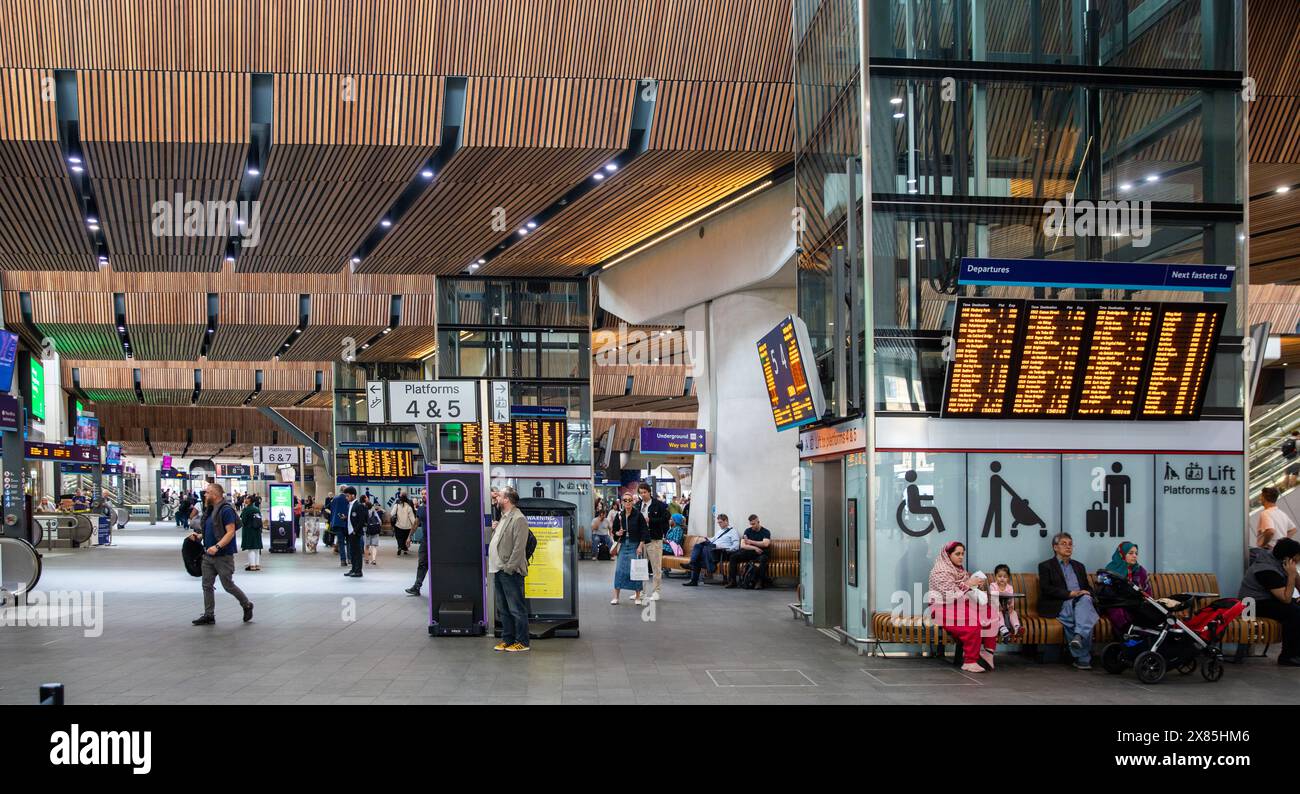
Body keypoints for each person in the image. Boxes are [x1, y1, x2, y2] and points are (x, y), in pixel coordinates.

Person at [188, 483, 253, 625]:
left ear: (215, 495)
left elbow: (230, 532)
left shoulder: (226, 510)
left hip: (223, 555)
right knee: (207, 585)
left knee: (228, 585)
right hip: (208, 555)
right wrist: (199, 537)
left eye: (207, 492)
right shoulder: (210, 510)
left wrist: (217, 547)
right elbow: (210, 530)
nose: (205, 495)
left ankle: (247, 604)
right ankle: (209, 614)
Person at [928, 541, 995, 672]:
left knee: (991, 614)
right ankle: (970, 661)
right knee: (972, 624)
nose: (961, 557)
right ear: (948, 555)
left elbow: (963, 588)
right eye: (957, 554)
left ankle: (988, 651)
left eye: (962, 554)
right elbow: (948, 595)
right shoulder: (939, 572)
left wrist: (976, 584)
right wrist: (969, 583)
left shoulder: (960, 570)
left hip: (960, 603)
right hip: (943, 606)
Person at [1037, 532, 1097, 670]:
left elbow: (1087, 587)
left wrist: (1087, 592)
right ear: (1055, 547)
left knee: (1085, 602)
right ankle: (1082, 652)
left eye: (1070, 544)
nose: (1068, 547)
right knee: (1083, 613)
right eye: (1064, 544)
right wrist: (1070, 594)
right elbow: (1046, 589)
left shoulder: (1079, 566)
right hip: (1060, 603)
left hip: (1081, 602)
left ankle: (1080, 645)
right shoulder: (1046, 566)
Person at [1239, 537, 1300, 666]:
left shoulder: (1279, 560)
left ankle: (1296, 652)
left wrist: (1294, 573)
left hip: (1267, 600)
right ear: (1289, 557)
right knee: (1294, 612)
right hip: (1252, 605)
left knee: (1295, 607)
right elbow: (1286, 598)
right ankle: (1288, 656)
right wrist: (1291, 575)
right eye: (1298, 557)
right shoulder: (1266, 569)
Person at [489, 486, 531, 652]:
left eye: (499, 495)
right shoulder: (504, 517)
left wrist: (509, 568)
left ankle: (522, 642)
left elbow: (519, 548)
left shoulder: (519, 519)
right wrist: (495, 529)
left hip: (509, 572)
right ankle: (507, 639)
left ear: (507, 499)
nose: (497, 498)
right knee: (503, 609)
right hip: (498, 570)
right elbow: (501, 542)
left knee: (516, 609)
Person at [1099, 541, 1150, 636]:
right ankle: (1129, 637)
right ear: (1121, 554)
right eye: (1130, 553)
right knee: (1119, 612)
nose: (1134, 556)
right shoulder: (1110, 569)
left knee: (1140, 612)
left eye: (1136, 553)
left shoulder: (1140, 571)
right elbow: (1103, 584)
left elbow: (1147, 592)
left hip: (1134, 603)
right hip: (1115, 603)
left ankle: (1136, 639)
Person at [610, 492, 648, 606]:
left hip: (634, 545)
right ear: (622, 502)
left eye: (629, 500)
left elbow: (644, 531)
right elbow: (614, 532)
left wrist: (640, 545)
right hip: (623, 545)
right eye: (625, 500)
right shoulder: (619, 515)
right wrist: (618, 532)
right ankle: (616, 596)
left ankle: (637, 596)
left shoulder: (638, 515)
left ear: (633, 502)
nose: (627, 502)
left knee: (636, 571)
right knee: (619, 570)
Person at [682, 513, 740, 586]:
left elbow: (736, 545)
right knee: (697, 546)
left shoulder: (733, 531)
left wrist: (726, 549)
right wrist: (707, 539)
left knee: (705, 548)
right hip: (711, 550)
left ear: (726, 521)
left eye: (720, 522)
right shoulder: (719, 531)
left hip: (721, 552)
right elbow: (713, 540)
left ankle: (694, 564)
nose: (719, 524)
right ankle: (694, 578)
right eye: (718, 523)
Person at [637, 483, 670, 601]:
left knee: (656, 567)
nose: (643, 495)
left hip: (654, 539)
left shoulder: (659, 505)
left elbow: (666, 519)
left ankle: (656, 591)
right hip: (641, 541)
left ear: (649, 492)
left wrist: (651, 520)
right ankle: (641, 591)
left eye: (644, 492)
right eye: (640, 493)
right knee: (641, 567)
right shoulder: (638, 505)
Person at [724, 514, 772, 589]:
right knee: (733, 557)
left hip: (761, 553)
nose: (752, 526)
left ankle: (759, 582)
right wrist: (755, 548)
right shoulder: (748, 531)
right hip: (750, 552)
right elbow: (743, 545)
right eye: (751, 524)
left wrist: (750, 541)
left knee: (763, 559)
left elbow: (765, 544)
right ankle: (732, 581)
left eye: (754, 524)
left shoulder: (765, 531)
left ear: (758, 522)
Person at [989, 564, 1020, 639]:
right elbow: (994, 598)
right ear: (995, 576)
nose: (1002, 578)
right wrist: (998, 606)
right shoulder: (993, 586)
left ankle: (1017, 627)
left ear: (1008, 578)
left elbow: (1011, 598)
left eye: (1005, 577)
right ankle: (1003, 628)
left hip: (1006, 608)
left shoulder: (1009, 588)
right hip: (995, 608)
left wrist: (1011, 606)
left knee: (1013, 613)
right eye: (999, 576)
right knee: (998, 612)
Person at [343, 487, 366, 578]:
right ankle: (353, 569)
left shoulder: (358, 505)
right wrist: (345, 518)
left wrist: (355, 531)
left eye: (347, 496)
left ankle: (358, 571)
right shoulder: (350, 505)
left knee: (357, 552)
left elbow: (361, 520)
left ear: (353, 495)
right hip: (350, 532)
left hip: (355, 533)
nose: (346, 498)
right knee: (352, 552)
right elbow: (352, 518)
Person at [240, 494, 264, 572]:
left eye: (246, 499)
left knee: (250, 548)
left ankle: (252, 565)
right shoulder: (256, 509)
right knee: (257, 548)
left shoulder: (246, 509)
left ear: (249, 500)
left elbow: (243, 521)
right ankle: (257, 564)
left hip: (249, 530)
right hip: (257, 530)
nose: (245, 500)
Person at [331, 485, 351, 568]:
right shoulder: (348, 499)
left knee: (341, 543)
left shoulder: (335, 499)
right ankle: (350, 559)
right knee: (349, 542)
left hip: (338, 523)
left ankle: (343, 560)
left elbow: (332, 510)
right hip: (347, 523)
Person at [364, 498, 382, 565]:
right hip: (375, 530)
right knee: (374, 546)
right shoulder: (374, 512)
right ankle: (373, 560)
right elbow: (379, 521)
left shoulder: (364, 512)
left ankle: (366, 559)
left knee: (367, 546)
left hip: (367, 530)